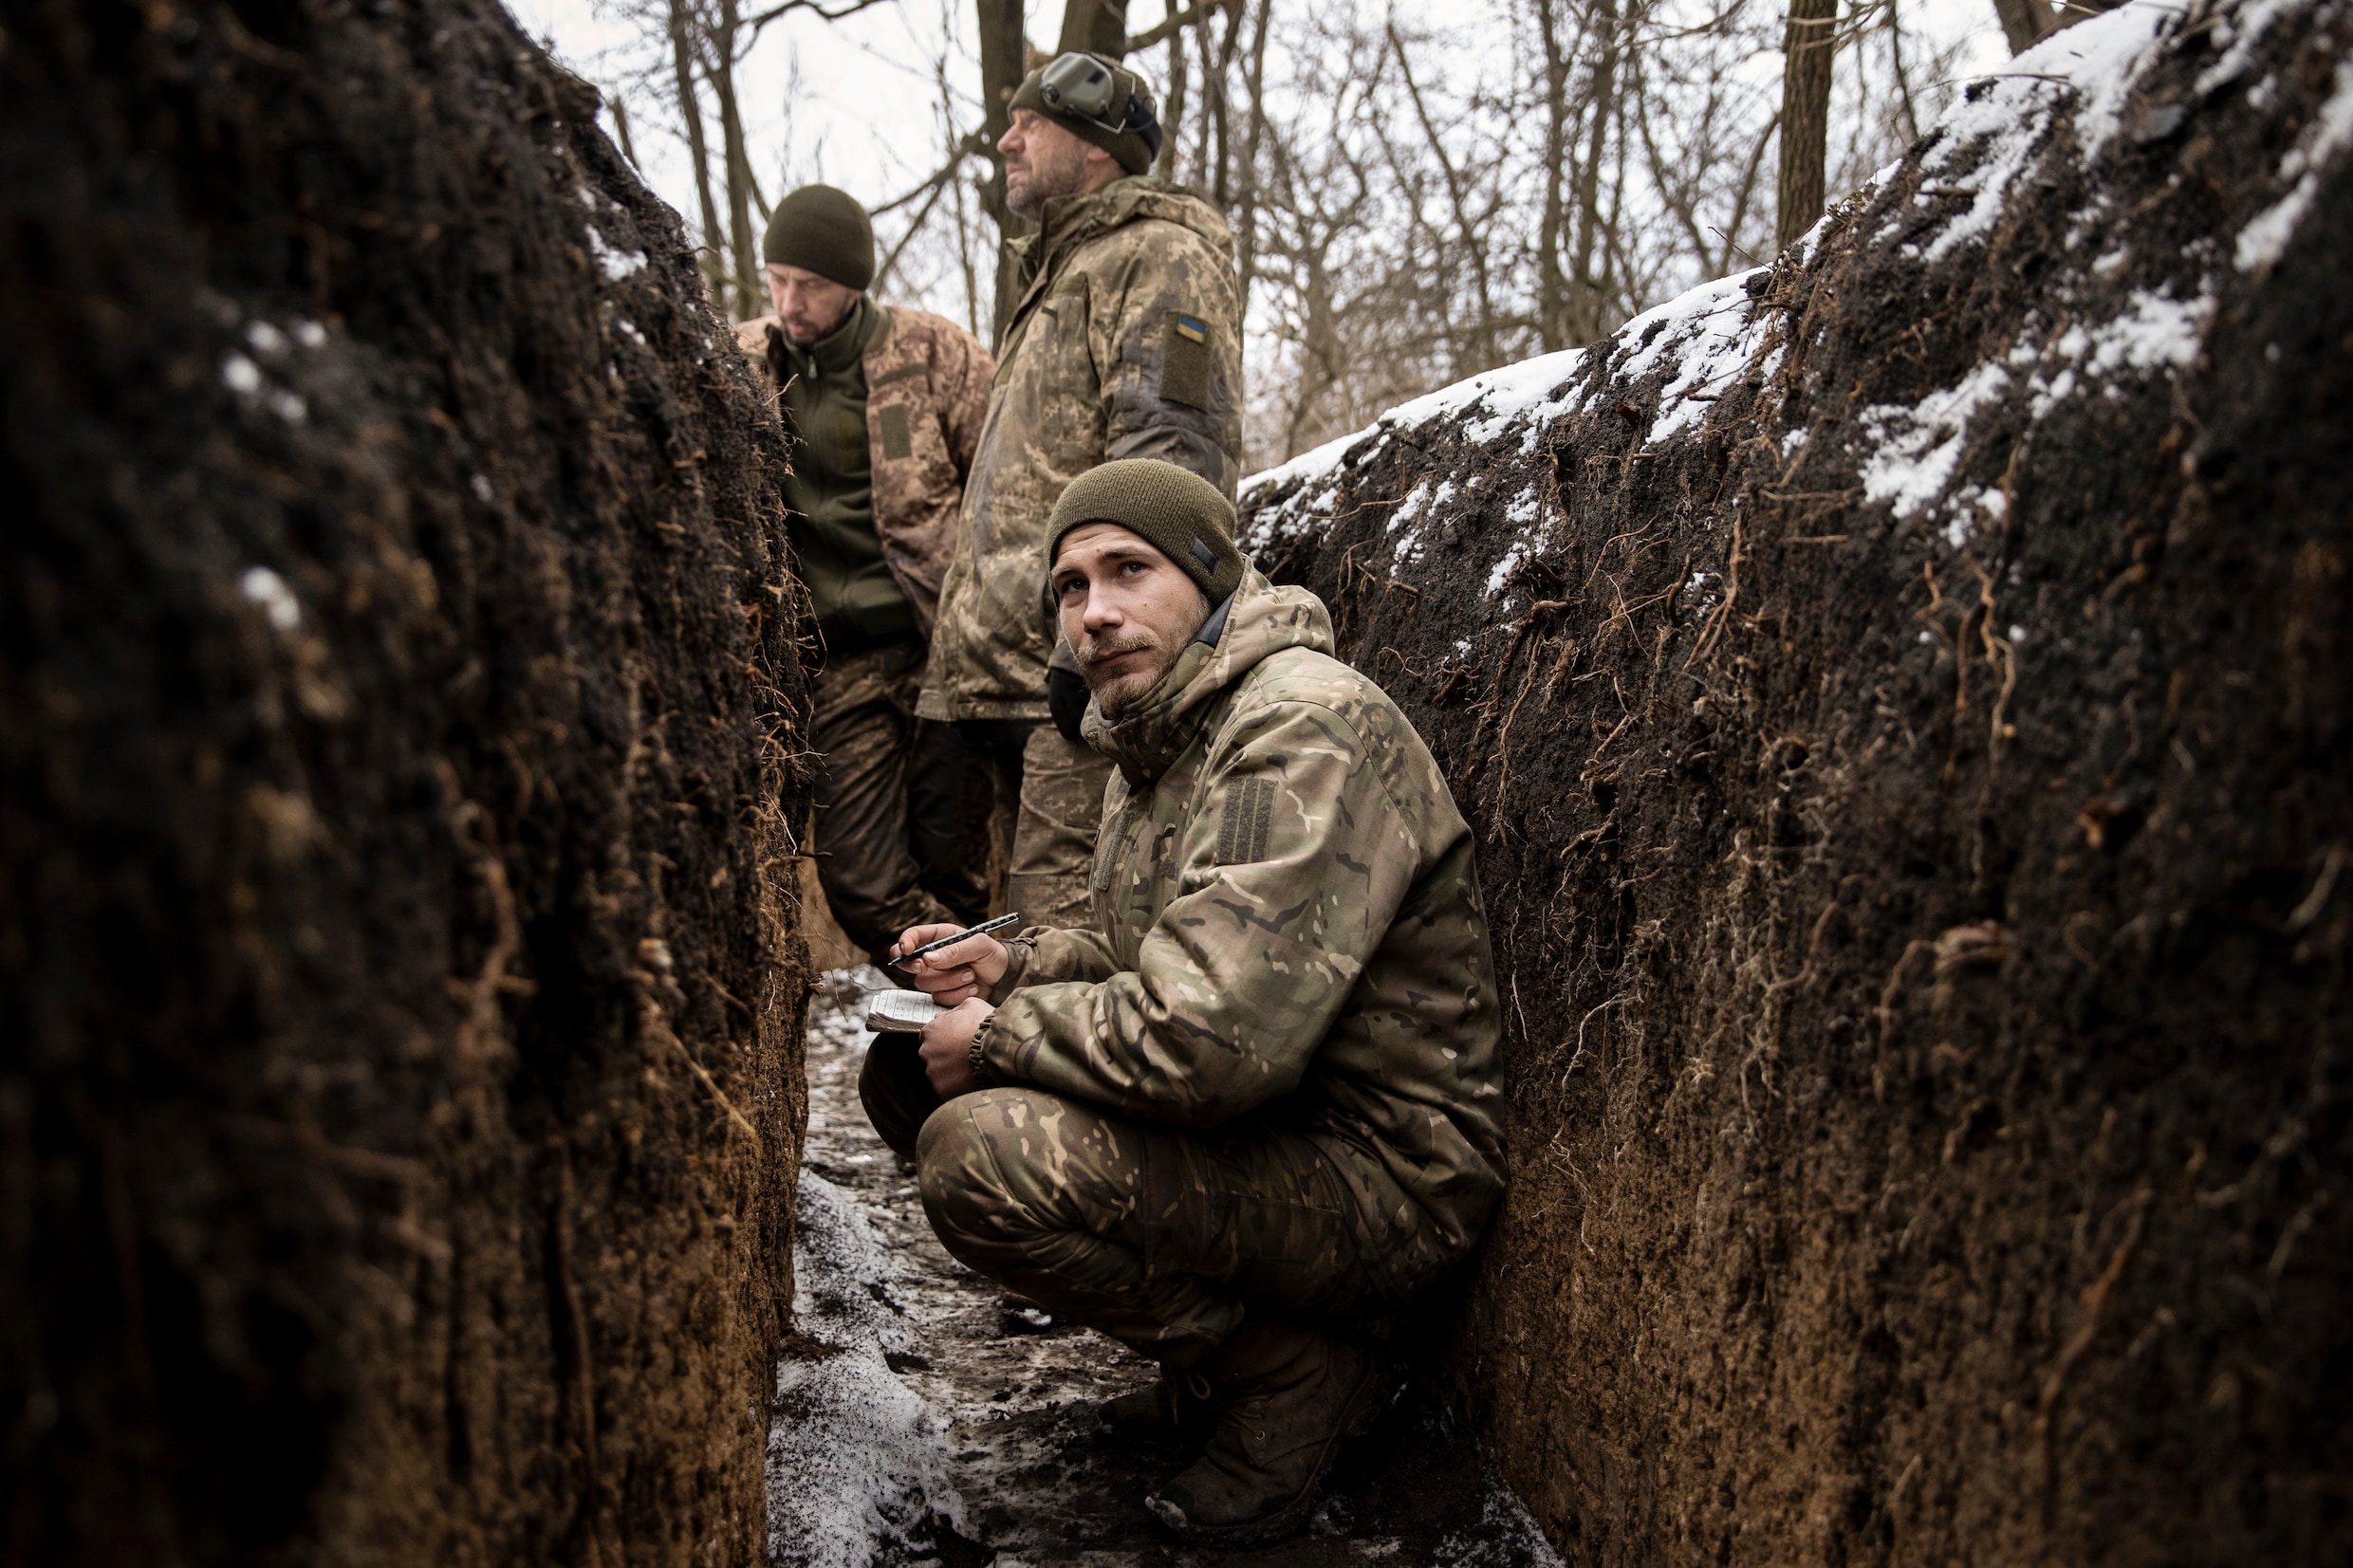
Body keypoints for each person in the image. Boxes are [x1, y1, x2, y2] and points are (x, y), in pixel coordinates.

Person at [865, 460, 1506, 1546]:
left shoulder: (1297, 728)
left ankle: (1292, 1374)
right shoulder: (1160, 732)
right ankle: (1212, 1364)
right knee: (903, 1077)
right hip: (1274, 1134)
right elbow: (1139, 959)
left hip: (1383, 1179)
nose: (1094, 613)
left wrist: (1003, 1036)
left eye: (1130, 570)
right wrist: (1005, 967)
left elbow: (1212, 1042)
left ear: (1209, 579)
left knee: (979, 1153)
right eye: (1069, 587)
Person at [918, 53, 1245, 930]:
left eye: (1029, 123)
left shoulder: (1159, 255)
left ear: (1096, 144)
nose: (1005, 141)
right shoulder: (1062, 270)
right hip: (998, 687)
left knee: (1061, 946)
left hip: (1071, 684)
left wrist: (1082, 656)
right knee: (989, 950)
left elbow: (1172, 460)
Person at [732, 184, 996, 962]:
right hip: (837, 662)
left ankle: (967, 1020)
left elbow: (1005, 487)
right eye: (777, 280)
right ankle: (971, 978)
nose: (790, 302)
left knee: (951, 862)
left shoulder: (934, 352)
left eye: (810, 284)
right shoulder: (742, 362)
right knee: (859, 881)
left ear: (853, 282)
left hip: (943, 646)